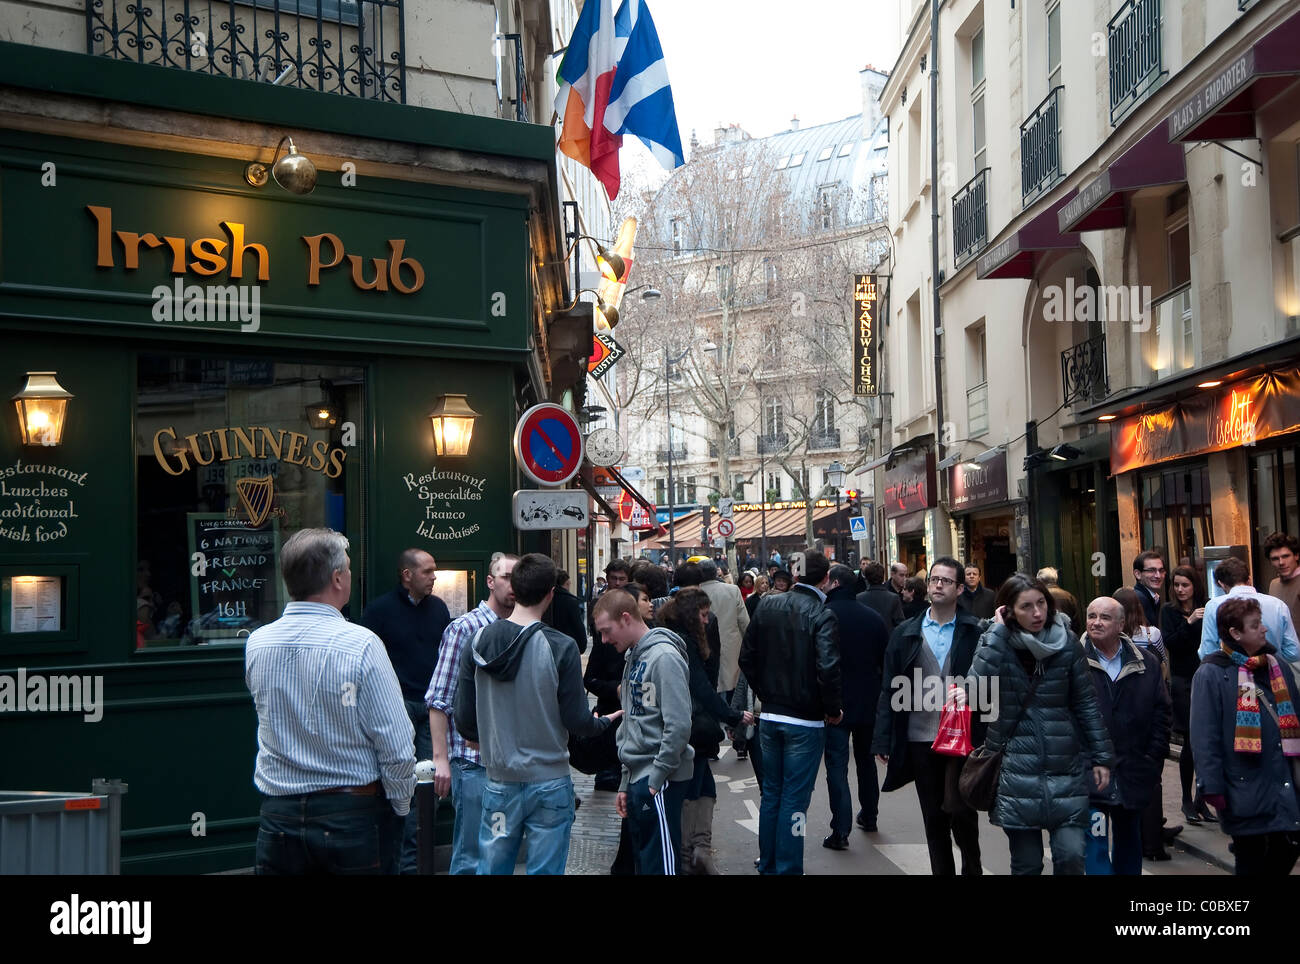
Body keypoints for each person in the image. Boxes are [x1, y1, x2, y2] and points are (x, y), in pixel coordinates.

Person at [246, 529, 414, 875]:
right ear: (337, 578)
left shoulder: (258, 643)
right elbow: (395, 743)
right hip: (351, 813)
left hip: (279, 813)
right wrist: (400, 804)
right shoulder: (362, 644)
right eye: (348, 569)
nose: (350, 575)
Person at [452, 553, 619, 875]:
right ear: (550, 594)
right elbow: (576, 721)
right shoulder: (561, 646)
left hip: (500, 780)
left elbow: (464, 721)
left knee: (492, 868)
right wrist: (601, 723)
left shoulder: (477, 641)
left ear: (514, 588)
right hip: (549, 781)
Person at [967, 573, 1114, 875]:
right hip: (1015, 769)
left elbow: (1085, 702)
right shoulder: (996, 641)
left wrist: (1101, 757)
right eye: (1026, 607)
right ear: (1008, 610)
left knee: (1071, 855)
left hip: (1064, 766)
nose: (1037, 613)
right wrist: (995, 633)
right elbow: (974, 690)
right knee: (1027, 864)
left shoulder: (1068, 642)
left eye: (1041, 604)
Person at [872, 556, 986, 874]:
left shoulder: (974, 631)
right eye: (934, 579)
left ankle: (972, 866)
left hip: (963, 738)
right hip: (921, 738)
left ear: (960, 588)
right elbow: (889, 688)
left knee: (962, 813)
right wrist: (883, 736)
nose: (937, 585)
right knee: (933, 816)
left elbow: (993, 681)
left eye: (946, 580)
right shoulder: (906, 633)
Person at [740, 550, 843, 875]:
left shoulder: (768, 604)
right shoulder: (822, 613)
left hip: (771, 715)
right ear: (826, 579)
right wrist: (832, 708)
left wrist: (766, 693)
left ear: (795, 575)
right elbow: (827, 667)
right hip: (805, 719)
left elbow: (747, 657)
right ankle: (787, 867)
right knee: (795, 802)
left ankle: (769, 862)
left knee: (772, 794)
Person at [1191, 596, 1300, 875]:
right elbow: (1205, 737)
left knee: (1286, 850)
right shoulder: (1212, 673)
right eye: (1255, 625)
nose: (1264, 629)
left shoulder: (1278, 666)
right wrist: (1211, 787)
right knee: (1250, 861)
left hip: (1283, 781)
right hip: (1241, 786)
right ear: (1235, 633)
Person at [360, 548, 452, 874]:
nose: (434, 577)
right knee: (393, 785)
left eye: (434, 570)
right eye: (427, 571)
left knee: (428, 788)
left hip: (429, 711)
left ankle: (414, 865)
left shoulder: (439, 609)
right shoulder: (379, 612)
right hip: (394, 710)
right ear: (407, 575)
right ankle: (393, 861)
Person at [425, 552, 517, 874]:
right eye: (506, 577)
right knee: (471, 855)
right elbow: (439, 697)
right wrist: (441, 759)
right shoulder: (466, 628)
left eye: (518, 577)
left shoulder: (523, 629)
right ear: (490, 582)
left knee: (499, 851)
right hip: (472, 760)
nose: (512, 584)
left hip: (510, 761)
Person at [593, 588, 695, 875]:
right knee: (647, 862)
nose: (603, 640)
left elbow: (678, 724)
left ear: (625, 618)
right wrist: (627, 782)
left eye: (606, 630)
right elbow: (632, 722)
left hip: (657, 778)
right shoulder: (634, 658)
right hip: (644, 777)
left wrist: (656, 777)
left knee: (659, 865)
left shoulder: (663, 658)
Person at [658, 587, 751, 873]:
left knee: (703, 784)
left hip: (692, 725)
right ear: (690, 615)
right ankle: (689, 856)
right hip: (690, 726)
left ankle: (698, 850)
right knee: (692, 785)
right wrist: (733, 715)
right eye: (703, 614)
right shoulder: (683, 642)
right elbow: (701, 687)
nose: (708, 619)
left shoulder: (676, 636)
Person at [1081, 597, 1171, 876]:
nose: (1096, 622)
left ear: (1121, 624)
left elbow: (1162, 714)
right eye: (1091, 615)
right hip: (1088, 772)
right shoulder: (1071, 660)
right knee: (1094, 846)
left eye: (1105, 617)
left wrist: (1152, 757)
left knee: (1129, 843)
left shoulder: (1147, 663)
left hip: (1133, 770)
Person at [823, 564, 889, 846]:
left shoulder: (825, 615)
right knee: (866, 761)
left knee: (837, 766)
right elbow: (884, 663)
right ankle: (870, 815)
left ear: (835, 584)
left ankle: (841, 830)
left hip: (834, 703)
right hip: (868, 700)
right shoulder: (873, 618)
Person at [1160, 565, 1215, 825]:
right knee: (1191, 741)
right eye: (1177, 585)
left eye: (1185, 585)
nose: (1180, 590)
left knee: (1207, 740)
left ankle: (1203, 799)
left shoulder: (1208, 607)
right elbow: (1170, 643)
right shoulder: (1169, 611)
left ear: (1195, 585)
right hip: (1183, 679)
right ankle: (1185, 799)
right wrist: (1190, 622)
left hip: (1205, 676)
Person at [1198, 556, 1300, 665]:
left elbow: (1206, 652)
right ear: (1249, 580)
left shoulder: (1214, 606)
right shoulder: (1278, 605)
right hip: (1273, 674)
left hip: (1231, 676)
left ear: (1221, 584)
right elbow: (1293, 653)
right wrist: (1271, 659)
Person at [697, 559, 750, 696]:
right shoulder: (732, 590)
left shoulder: (694, 593)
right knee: (732, 690)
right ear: (715, 572)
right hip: (731, 647)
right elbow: (744, 622)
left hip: (703, 648)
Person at [544, 568, 588, 655]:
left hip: (547, 646)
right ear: (566, 583)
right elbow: (578, 626)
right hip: (567, 648)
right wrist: (582, 646)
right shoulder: (571, 602)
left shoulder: (545, 599)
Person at [1265, 531, 1300, 632]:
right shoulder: (1274, 584)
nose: (1281, 562)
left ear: (1296, 556)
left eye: (1286, 556)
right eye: (1275, 559)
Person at [857, 560, 905, 632]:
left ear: (866, 578)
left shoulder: (859, 598)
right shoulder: (893, 598)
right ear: (883, 576)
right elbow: (900, 624)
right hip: (888, 639)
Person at [1038, 566, 1080, 634]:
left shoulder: (1039, 597)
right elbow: (1076, 622)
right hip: (1067, 635)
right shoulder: (1068, 596)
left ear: (1040, 580)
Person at [1132, 551, 1166, 628]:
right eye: (1151, 570)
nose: (1158, 575)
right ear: (1138, 574)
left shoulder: (1153, 597)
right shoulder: (1138, 599)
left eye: (1161, 571)